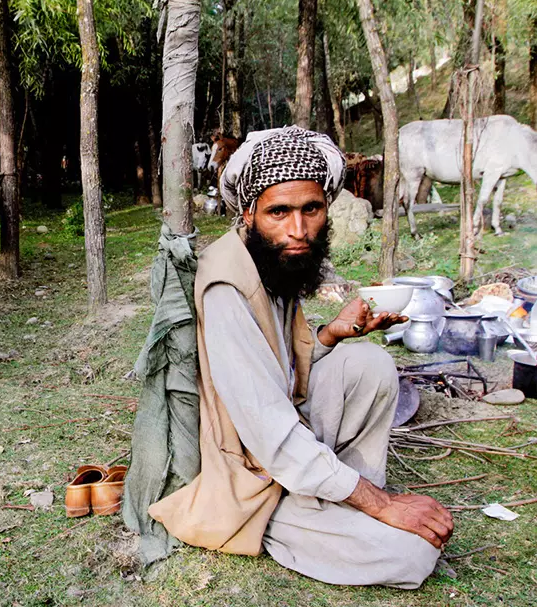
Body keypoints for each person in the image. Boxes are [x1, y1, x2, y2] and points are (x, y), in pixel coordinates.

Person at [146, 127, 453, 589]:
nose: (298, 229)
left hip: (284, 443)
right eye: (279, 212)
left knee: (370, 365)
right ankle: (323, 511)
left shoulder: (274, 261)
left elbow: (280, 368)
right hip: (251, 476)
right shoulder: (227, 284)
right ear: (248, 214)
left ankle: (342, 494)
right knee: (411, 555)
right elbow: (270, 434)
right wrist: (382, 506)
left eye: (311, 209)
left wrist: (330, 334)